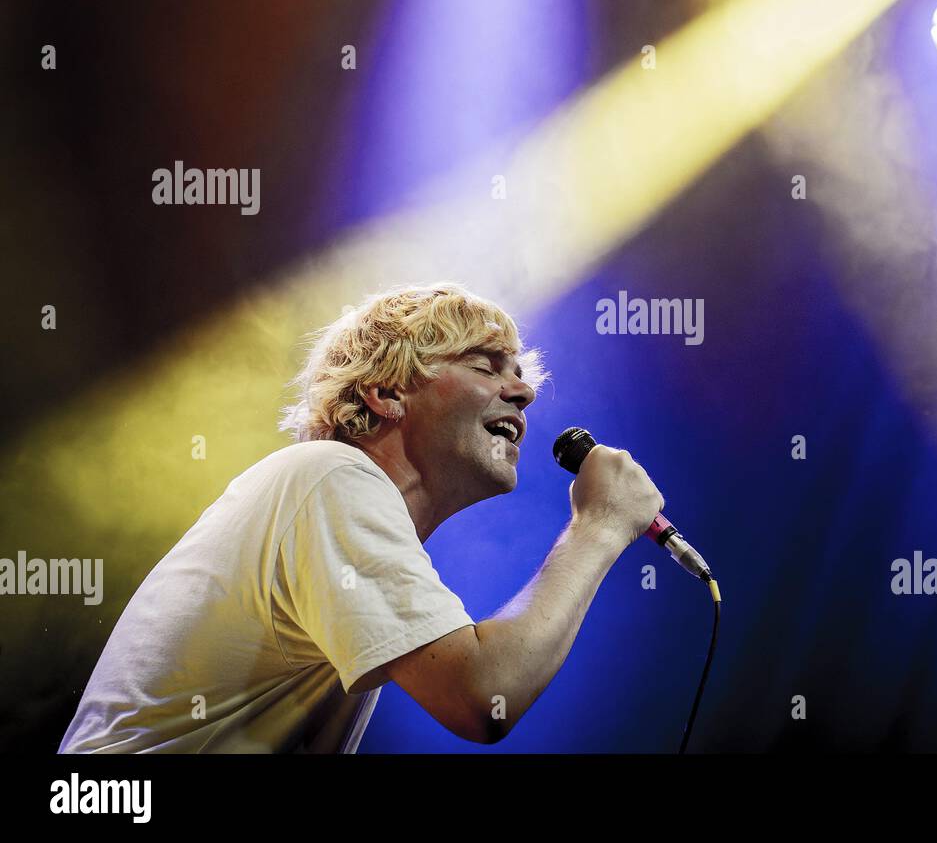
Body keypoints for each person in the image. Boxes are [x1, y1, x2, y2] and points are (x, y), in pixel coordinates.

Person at [59, 283, 663, 752]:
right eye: (486, 365)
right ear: (387, 391)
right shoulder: (330, 476)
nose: (523, 391)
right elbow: (484, 693)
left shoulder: (333, 502)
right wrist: (601, 525)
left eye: (519, 372)